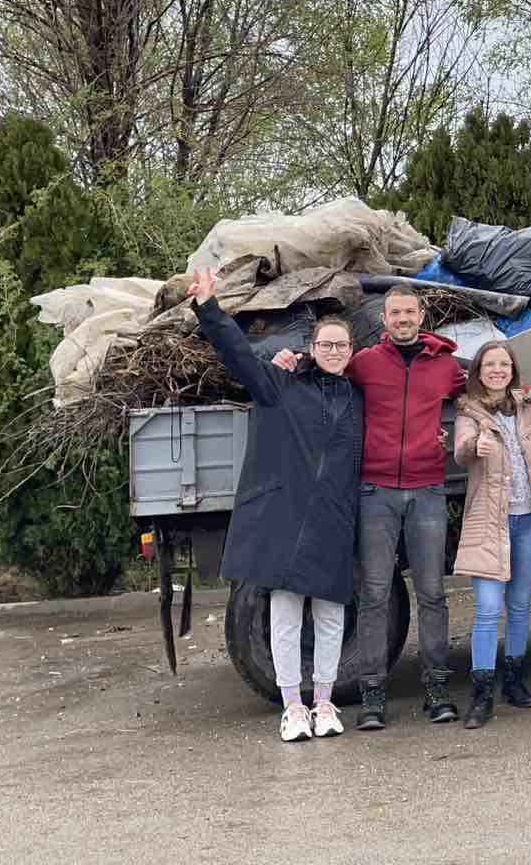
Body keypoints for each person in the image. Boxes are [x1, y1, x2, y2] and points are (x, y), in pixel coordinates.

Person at [272, 283, 464, 730]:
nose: (401, 319)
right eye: (394, 313)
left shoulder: (445, 367)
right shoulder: (363, 364)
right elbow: (323, 373)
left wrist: (530, 392)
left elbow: (483, 387)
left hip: (428, 490)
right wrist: (290, 361)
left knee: (433, 593)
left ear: (421, 316)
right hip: (375, 491)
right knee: (375, 593)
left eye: (409, 313)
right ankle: (372, 693)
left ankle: (437, 688)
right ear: (384, 319)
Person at [188, 267, 362, 743]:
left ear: (351, 353)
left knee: (331, 616)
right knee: (284, 617)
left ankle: (324, 703)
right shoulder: (279, 385)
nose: (332, 352)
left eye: (340, 346)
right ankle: (293, 707)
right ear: (312, 348)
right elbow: (238, 353)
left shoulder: (358, 397)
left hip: (332, 520)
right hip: (285, 520)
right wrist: (208, 306)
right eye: (325, 344)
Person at [452, 340, 531, 728]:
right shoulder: (469, 411)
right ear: (479, 371)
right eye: (489, 364)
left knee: (519, 606)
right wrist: (475, 445)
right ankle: (481, 692)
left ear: (513, 370)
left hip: (525, 523)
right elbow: (461, 450)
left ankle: (515, 682)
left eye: (504, 364)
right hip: (489, 523)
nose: (497, 370)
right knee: (487, 609)